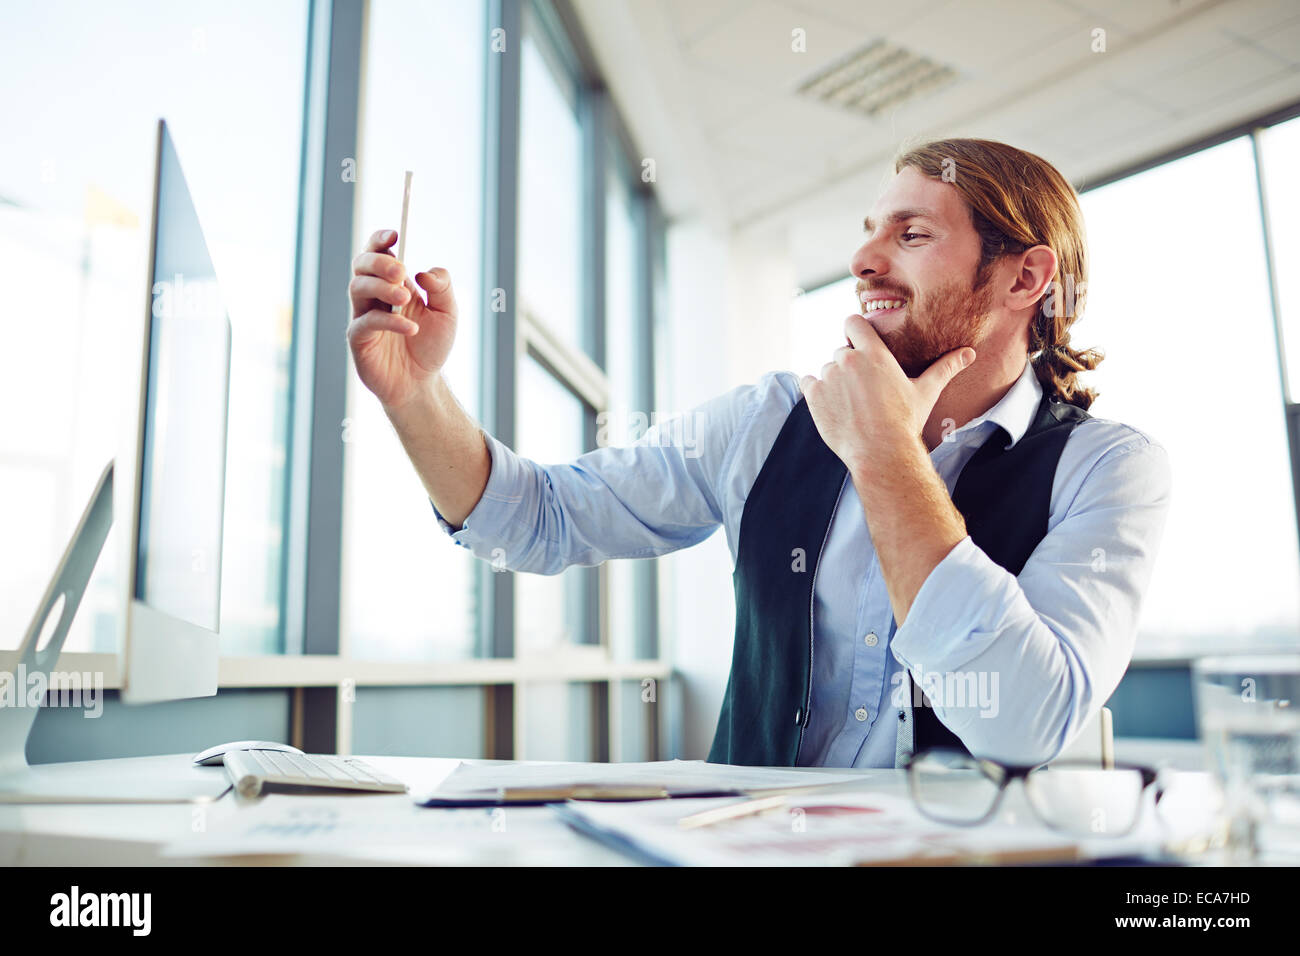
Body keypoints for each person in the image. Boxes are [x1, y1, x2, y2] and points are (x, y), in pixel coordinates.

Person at [346, 138, 1171, 768]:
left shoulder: (1106, 470)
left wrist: (887, 457)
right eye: (868, 233)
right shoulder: (768, 420)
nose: (864, 261)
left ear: (1026, 279)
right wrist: (416, 396)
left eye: (912, 233)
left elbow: (1025, 723)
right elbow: (538, 519)